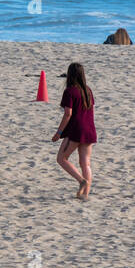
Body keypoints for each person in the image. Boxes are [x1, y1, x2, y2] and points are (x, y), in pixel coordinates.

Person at [53, 62, 97, 200]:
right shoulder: (88, 90)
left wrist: (59, 133)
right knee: (85, 162)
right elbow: (91, 111)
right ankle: (85, 194)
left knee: (61, 158)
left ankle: (81, 180)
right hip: (89, 129)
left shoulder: (70, 91)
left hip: (75, 130)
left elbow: (68, 113)